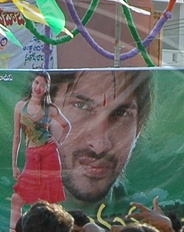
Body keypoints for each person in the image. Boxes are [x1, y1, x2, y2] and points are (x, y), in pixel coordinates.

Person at [45, 70, 152, 215]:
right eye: (81, 106)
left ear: (138, 129)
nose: (99, 146)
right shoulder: (13, 211)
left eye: (121, 113)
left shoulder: (152, 214)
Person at [9, 72, 68, 230]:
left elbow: (66, 126)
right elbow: (17, 137)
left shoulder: (50, 109)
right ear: (32, 84)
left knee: (47, 205)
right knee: (16, 199)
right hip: (32, 156)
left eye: (43, 85)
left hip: (49, 155)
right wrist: (14, 165)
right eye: (36, 83)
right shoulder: (20, 106)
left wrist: (58, 142)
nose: (38, 87)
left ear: (46, 89)